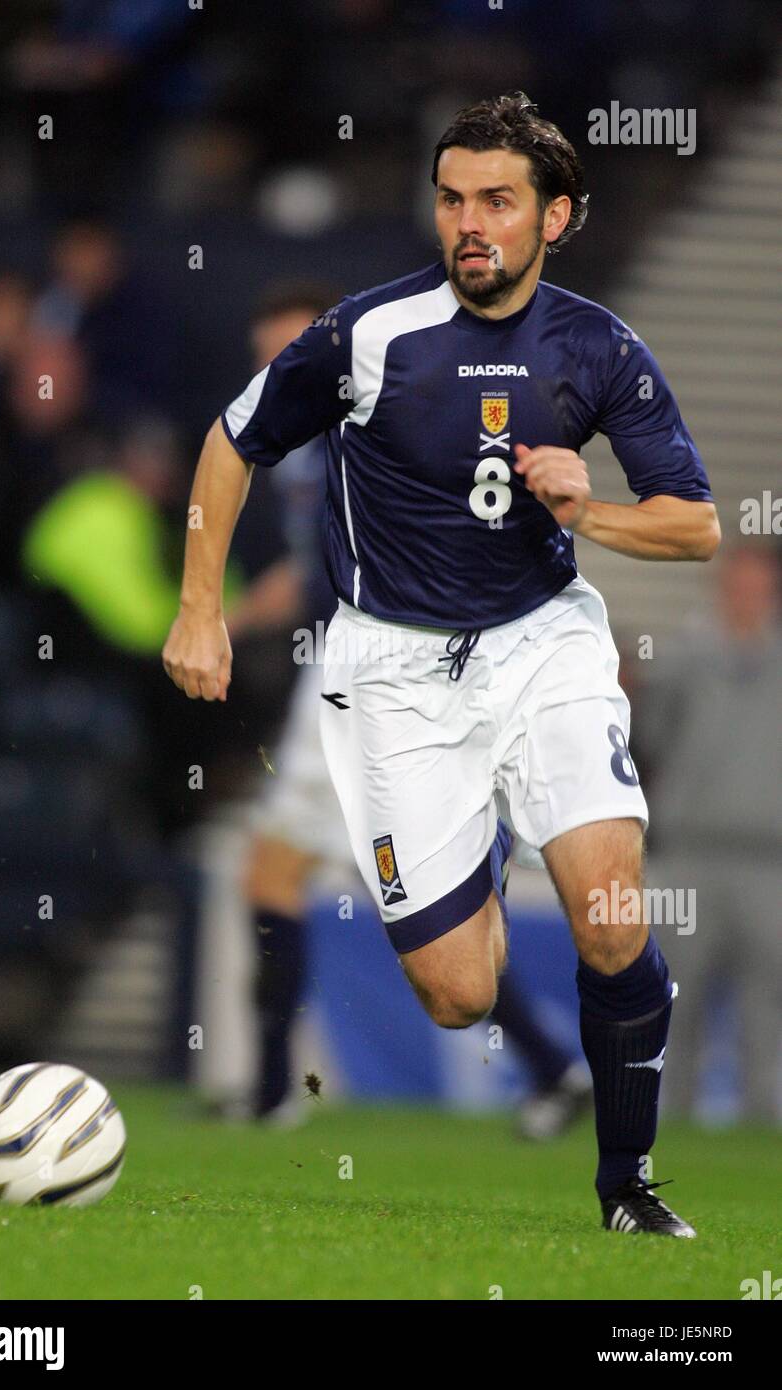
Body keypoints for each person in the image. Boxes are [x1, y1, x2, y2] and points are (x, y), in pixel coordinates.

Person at [162, 94, 721, 1235]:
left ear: (555, 216)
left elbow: (695, 525)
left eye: (497, 201)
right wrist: (199, 609)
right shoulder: (368, 334)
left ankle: (627, 1186)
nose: (469, 222)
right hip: (394, 676)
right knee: (458, 995)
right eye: (452, 197)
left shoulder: (598, 345)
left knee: (610, 911)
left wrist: (589, 509)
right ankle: (481, 843)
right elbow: (232, 440)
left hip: (543, 643)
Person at [224, 282, 592, 1132]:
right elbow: (306, 575)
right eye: (269, 355)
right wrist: (225, 617)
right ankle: (546, 1066)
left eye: (292, 351)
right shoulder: (311, 446)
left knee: (290, 874)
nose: (281, 370)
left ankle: (277, 1092)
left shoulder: (367, 432)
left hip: (369, 676)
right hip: (358, 671)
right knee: (383, 898)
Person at [638, 542, 781, 1123]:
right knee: (674, 998)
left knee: (767, 1008)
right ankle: (661, 1126)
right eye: (736, 581)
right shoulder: (683, 656)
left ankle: (766, 1128)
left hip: (769, 861)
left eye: (756, 583)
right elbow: (649, 738)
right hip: (690, 853)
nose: (744, 593)